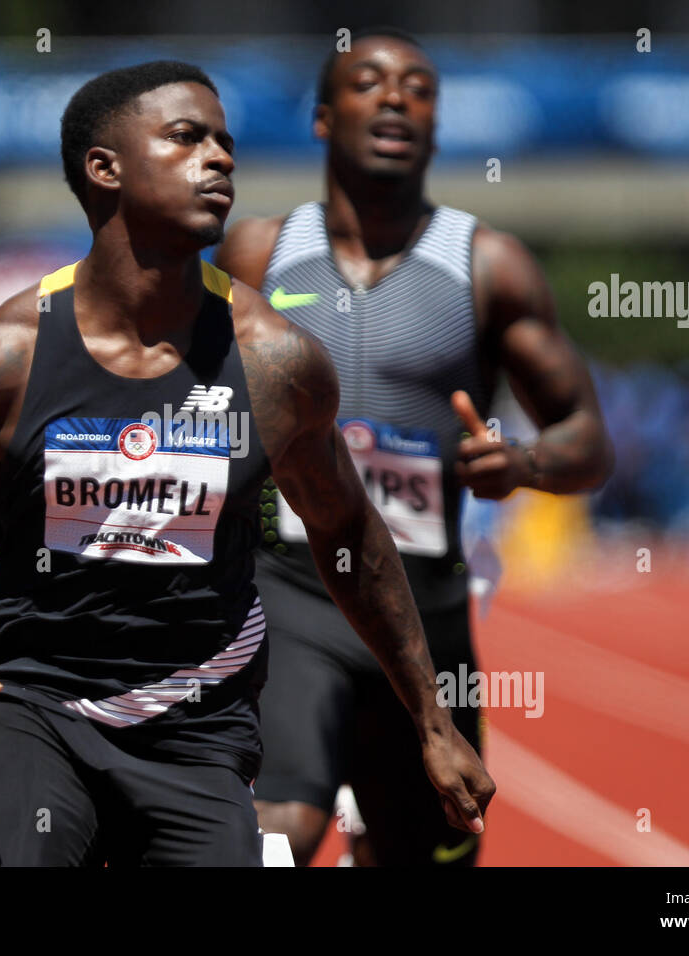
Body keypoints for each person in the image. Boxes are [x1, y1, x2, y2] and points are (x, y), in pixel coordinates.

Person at [0, 60, 494, 867]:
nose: (220, 157)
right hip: (37, 708)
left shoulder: (276, 364)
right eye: (186, 137)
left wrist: (432, 725)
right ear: (104, 166)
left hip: (199, 727)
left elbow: (354, 540)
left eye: (225, 142)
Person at [216, 29, 613, 866]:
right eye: (369, 82)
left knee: (428, 851)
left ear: (435, 127)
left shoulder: (489, 266)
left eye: (419, 88)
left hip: (425, 613)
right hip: (290, 592)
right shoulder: (258, 252)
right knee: (283, 822)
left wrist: (526, 463)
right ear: (324, 117)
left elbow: (588, 442)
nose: (396, 98)